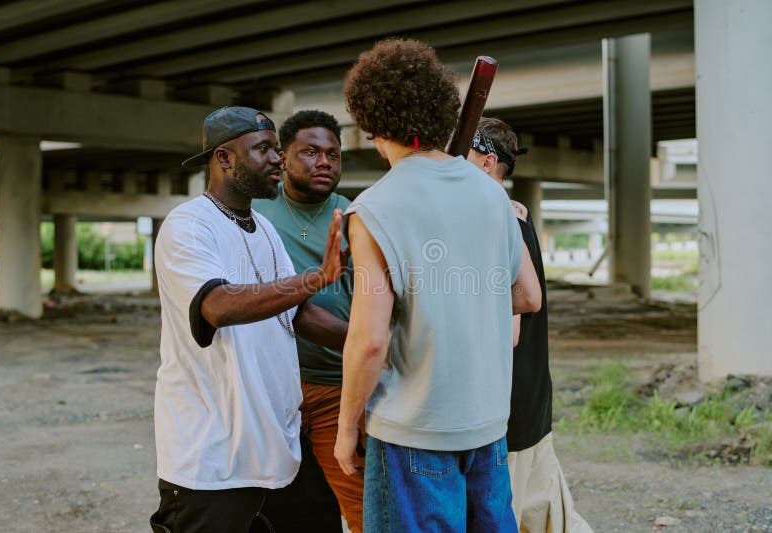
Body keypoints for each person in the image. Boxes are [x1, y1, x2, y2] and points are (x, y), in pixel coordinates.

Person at [334, 38, 542, 532]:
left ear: (371, 122)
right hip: (488, 428)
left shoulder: (374, 210)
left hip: (412, 433)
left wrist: (346, 428)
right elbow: (527, 296)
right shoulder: (493, 196)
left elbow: (369, 341)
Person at [150, 106, 347, 533]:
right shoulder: (188, 225)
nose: (277, 158)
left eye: (276, 149)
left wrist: (379, 343)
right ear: (224, 158)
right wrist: (317, 276)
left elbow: (298, 315)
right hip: (212, 460)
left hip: (276, 448)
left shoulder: (265, 229)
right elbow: (218, 305)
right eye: (263, 149)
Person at [468, 117, 593, 533]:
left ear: (487, 163)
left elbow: (512, 328)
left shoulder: (494, 221)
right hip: (533, 394)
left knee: (513, 512)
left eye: (461, 156)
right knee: (548, 515)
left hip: (508, 402)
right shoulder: (515, 217)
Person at [254, 110, 364, 532]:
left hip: (340, 386)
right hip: (274, 387)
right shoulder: (257, 216)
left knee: (359, 506)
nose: (324, 162)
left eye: (333, 155)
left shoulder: (356, 216)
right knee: (284, 509)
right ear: (283, 159)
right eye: (311, 152)